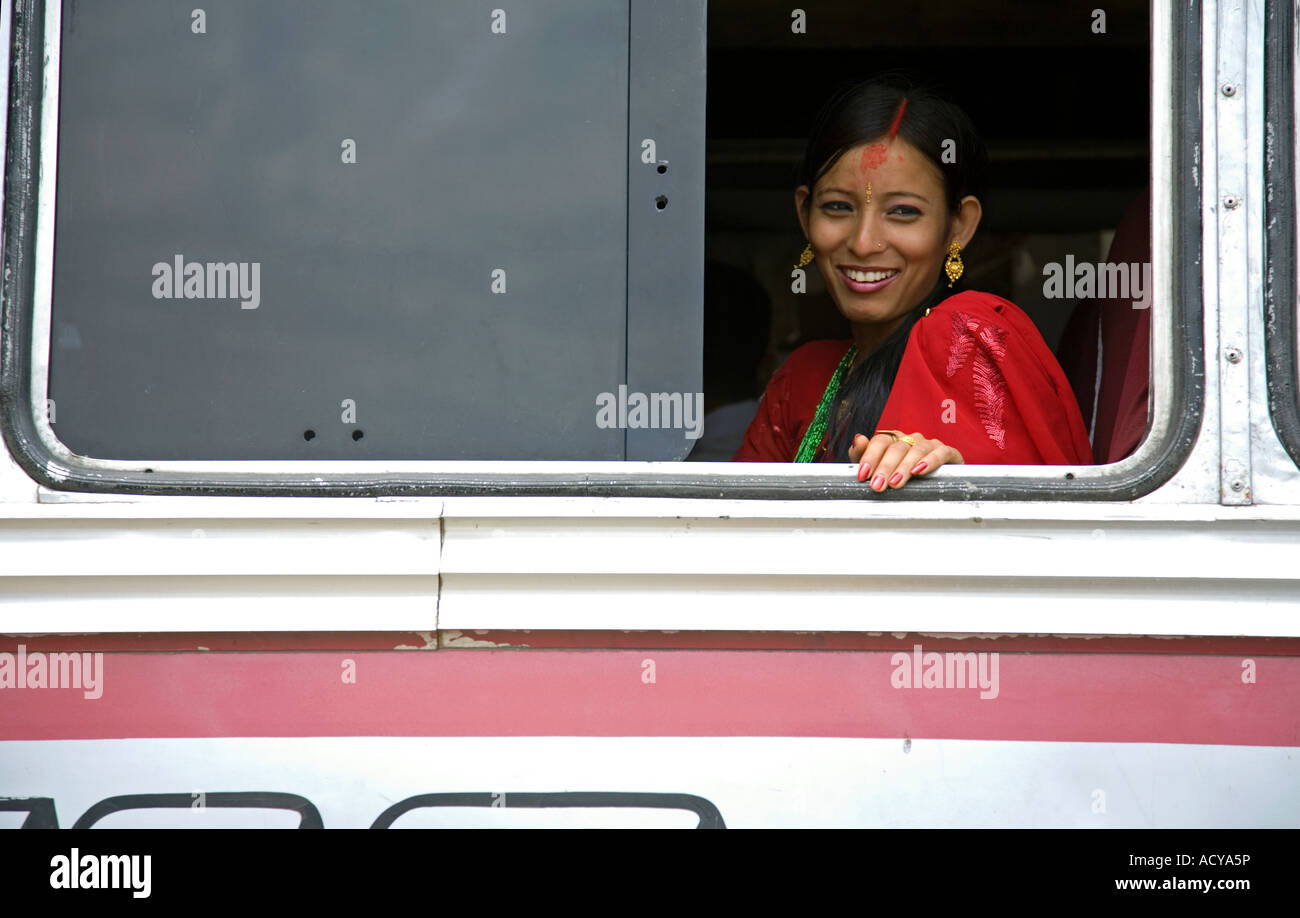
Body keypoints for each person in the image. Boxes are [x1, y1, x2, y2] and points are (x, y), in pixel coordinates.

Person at [733, 76, 1093, 487]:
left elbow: (1024, 527)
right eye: (837, 207)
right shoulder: (804, 379)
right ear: (804, 213)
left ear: (960, 225)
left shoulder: (967, 333)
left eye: (903, 212)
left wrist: (951, 474)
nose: (864, 243)